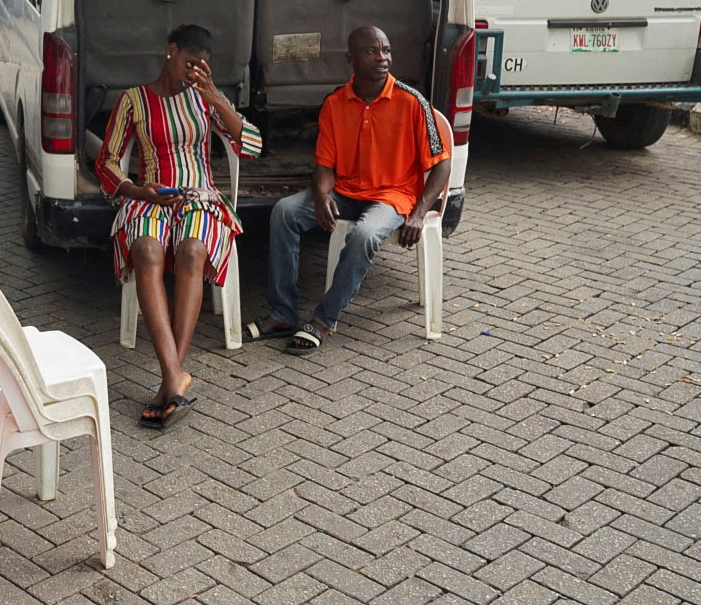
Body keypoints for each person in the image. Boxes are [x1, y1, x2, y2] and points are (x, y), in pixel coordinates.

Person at [95, 24, 262, 429]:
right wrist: (138, 190)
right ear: (170, 51)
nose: (192, 73)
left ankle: (171, 377)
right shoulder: (133, 100)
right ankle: (175, 377)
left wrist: (217, 97)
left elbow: (253, 145)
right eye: (189, 63)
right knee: (147, 249)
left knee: (191, 249)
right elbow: (107, 162)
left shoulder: (205, 100)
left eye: (202, 68)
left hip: (200, 197)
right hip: (150, 195)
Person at [250, 26, 451, 354]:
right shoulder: (335, 103)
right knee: (284, 211)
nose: (382, 58)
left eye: (386, 50)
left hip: (393, 196)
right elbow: (325, 165)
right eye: (372, 51)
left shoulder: (411, 101)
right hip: (345, 191)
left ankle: (323, 319)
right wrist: (321, 195)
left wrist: (418, 213)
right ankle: (283, 313)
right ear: (351, 59)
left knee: (364, 235)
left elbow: (442, 163)